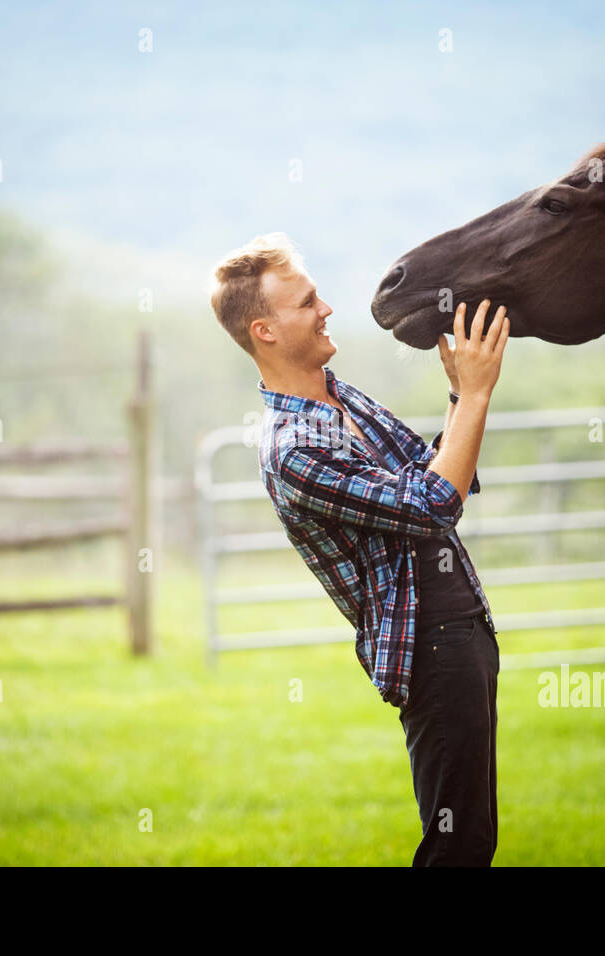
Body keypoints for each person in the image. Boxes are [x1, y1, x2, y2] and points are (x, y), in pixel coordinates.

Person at [208, 232, 510, 866]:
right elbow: (433, 504)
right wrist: (477, 396)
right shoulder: (294, 449)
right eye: (307, 302)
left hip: (461, 629)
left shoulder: (337, 395)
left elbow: (430, 476)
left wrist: (459, 397)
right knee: (459, 844)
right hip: (428, 646)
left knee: (472, 835)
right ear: (264, 331)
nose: (326, 309)